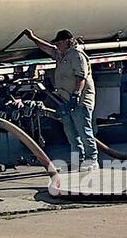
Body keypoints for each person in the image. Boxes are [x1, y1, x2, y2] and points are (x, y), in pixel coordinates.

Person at [21, 28, 98, 170]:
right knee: (71, 133)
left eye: (59, 42)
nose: (57, 45)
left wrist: (76, 95)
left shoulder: (77, 55)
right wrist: (32, 38)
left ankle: (92, 160)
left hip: (80, 101)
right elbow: (48, 48)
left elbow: (81, 77)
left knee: (84, 131)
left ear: (67, 41)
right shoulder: (61, 54)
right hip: (65, 100)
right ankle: (78, 160)